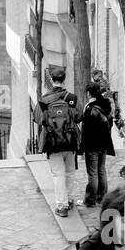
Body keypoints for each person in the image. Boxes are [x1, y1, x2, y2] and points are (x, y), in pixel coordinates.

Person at [34, 65, 80, 216]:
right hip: (70, 140)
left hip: (52, 142)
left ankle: (62, 206)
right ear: (64, 80)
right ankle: (70, 199)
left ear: (52, 80)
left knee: (58, 174)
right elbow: (79, 116)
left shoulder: (44, 100)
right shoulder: (72, 98)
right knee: (70, 172)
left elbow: (38, 119)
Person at [80, 82, 114, 207]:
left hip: (92, 144)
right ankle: (102, 197)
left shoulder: (90, 108)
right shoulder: (105, 104)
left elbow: (86, 129)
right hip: (104, 143)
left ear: (89, 93)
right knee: (101, 169)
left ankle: (90, 200)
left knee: (93, 173)